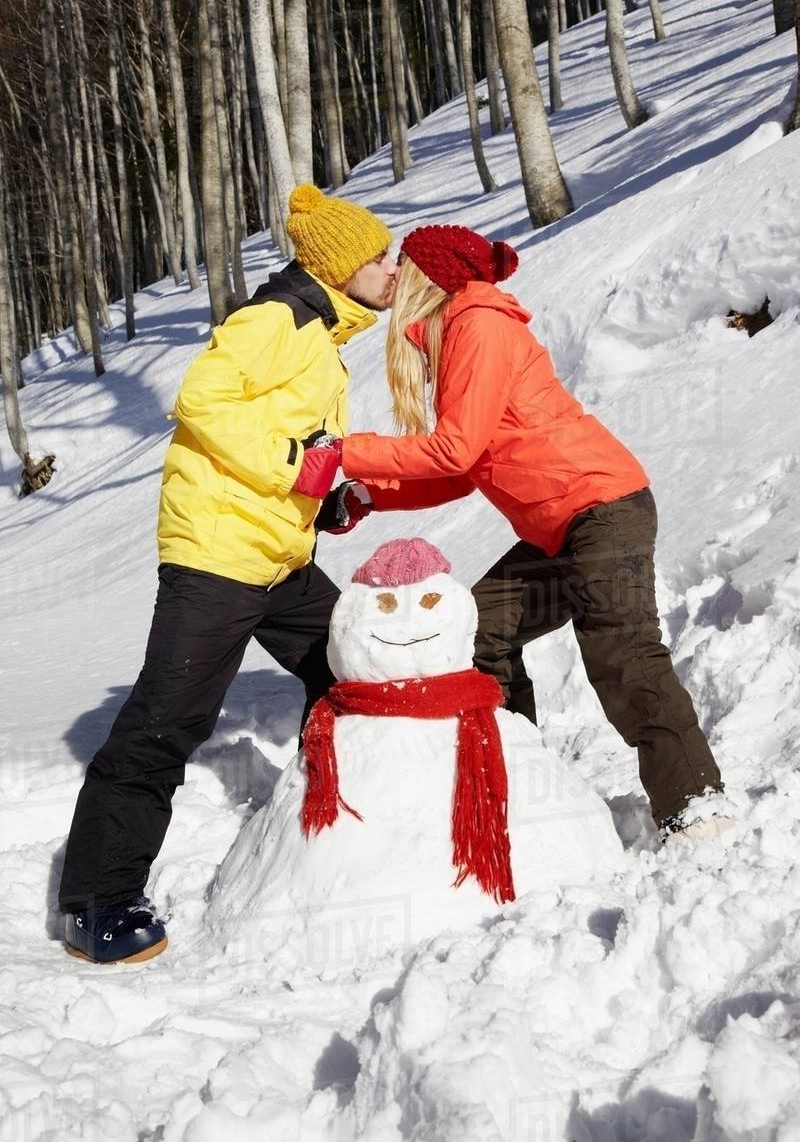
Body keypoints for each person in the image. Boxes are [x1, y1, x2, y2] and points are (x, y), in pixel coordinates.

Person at [58, 184, 397, 964]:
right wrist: (295, 468)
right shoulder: (277, 319)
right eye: (379, 256)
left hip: (278, 559)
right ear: (341, 266)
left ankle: (328, 815)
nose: (392, 266)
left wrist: (328, 499)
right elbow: (203, 400)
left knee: (355, 664)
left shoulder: (323, 337)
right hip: (217, 558)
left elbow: (297, 444)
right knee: (164, 720)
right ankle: (97, 901)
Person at [334, 224, 726, 840]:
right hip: (560, 528)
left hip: (603, 509)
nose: (393, 279)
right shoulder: (458, 332)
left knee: (623, 651)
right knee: (481, 629)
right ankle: (520, 771)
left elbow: (453, 449)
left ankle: (698, 804)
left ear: (427, 279)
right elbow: (463, 469)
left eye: (402, 268)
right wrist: (367, 493)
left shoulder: (479, 327)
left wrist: (344, 454)